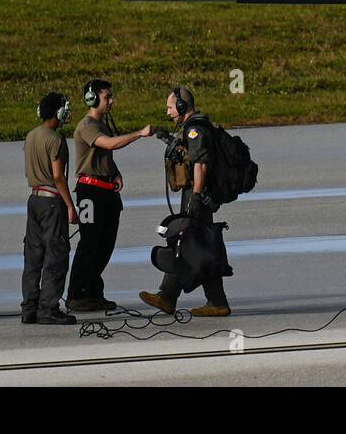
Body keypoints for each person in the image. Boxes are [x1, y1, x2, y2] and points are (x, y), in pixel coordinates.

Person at [140, 85, 231, 318]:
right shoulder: (190, 128)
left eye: (171, 107)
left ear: (182, 106)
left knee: (189, 243)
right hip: (194, 194)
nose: (168, 111)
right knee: (194, 244)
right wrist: (165, 138)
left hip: (196, 195)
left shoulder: (195, 130)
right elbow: (187, 155)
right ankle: (175, 297)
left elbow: (200, 164)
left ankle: (173, 297)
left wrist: (197, 199)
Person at [65, 79, 151, 313]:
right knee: (89, 243)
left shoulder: (101, 123)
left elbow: (104, 155)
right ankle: (76, 294)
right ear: (93, 99)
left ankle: (93, 292)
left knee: (104, 245)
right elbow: (110, 144)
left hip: (105, 192)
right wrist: (139, 134)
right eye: (107, 97)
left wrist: (115, 172)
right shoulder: (87, 126)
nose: (112, 101)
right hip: (90, 193)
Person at [22, 92, 78, 325]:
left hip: (34, 199)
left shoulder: (31, 136)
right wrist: (70, 206)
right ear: (59, 112)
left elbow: (28, 172)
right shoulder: (55, 139)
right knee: (55, 256)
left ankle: (29, 308)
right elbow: (57, 176)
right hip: (52, 202)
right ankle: (48, 308)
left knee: (33, 256)